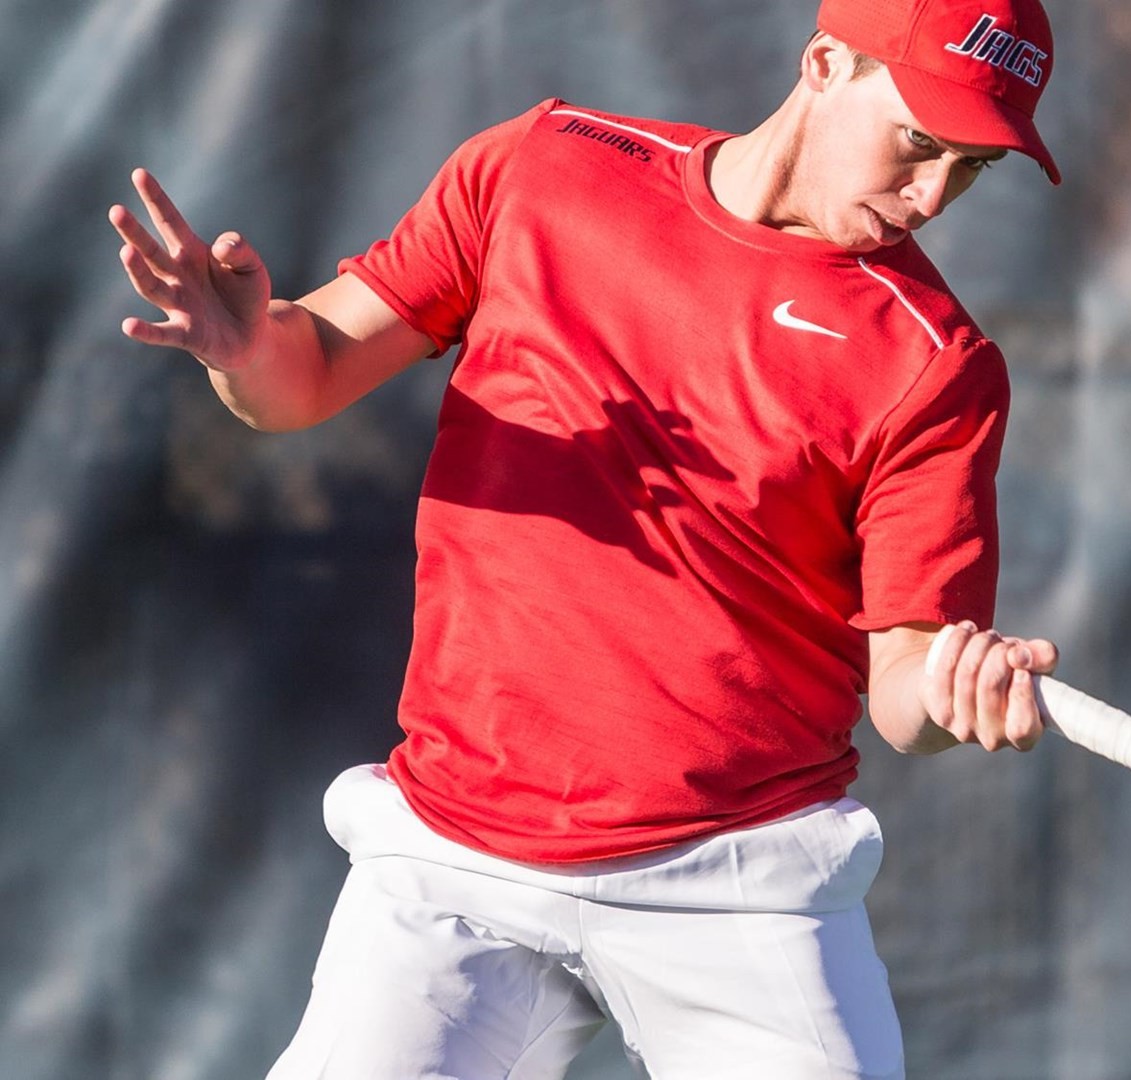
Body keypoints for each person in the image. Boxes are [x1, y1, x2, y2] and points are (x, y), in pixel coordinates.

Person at [107, 0, 1063, 1076]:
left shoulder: (935, 363)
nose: (932, 195)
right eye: (921, 144)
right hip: (453, 857)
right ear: (826, 61)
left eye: (971, 170)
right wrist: (246, 351)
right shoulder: (545, 168)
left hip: (736, 880)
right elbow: (305, 375)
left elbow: (902, 689)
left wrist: (952, 690)